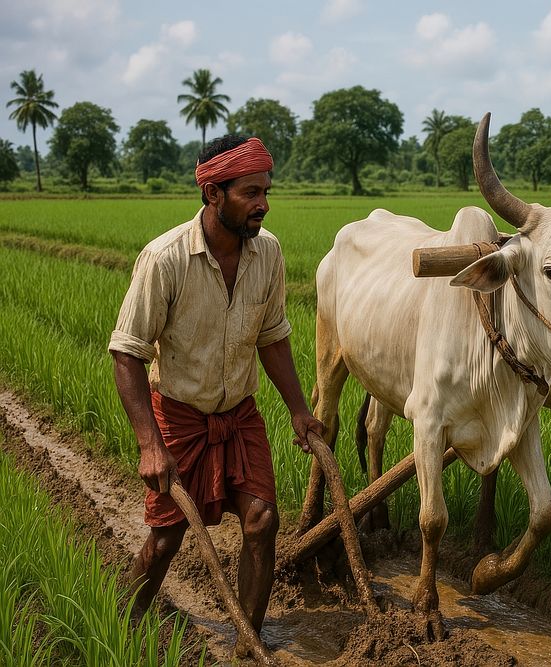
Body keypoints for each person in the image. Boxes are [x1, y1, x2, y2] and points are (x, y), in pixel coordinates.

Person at [108, 135, 322, 653]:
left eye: (266, 191)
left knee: (262, 522)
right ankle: (120, 623)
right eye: (250, 193)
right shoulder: (165, 259)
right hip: (179, 416)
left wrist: (299, 410)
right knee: (167, 538)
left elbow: (272, 336)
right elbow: (127, 353)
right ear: (212, 194)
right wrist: (150, 444)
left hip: (239, 415)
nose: (263, 204)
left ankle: (249, 642)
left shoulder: (268, 253)